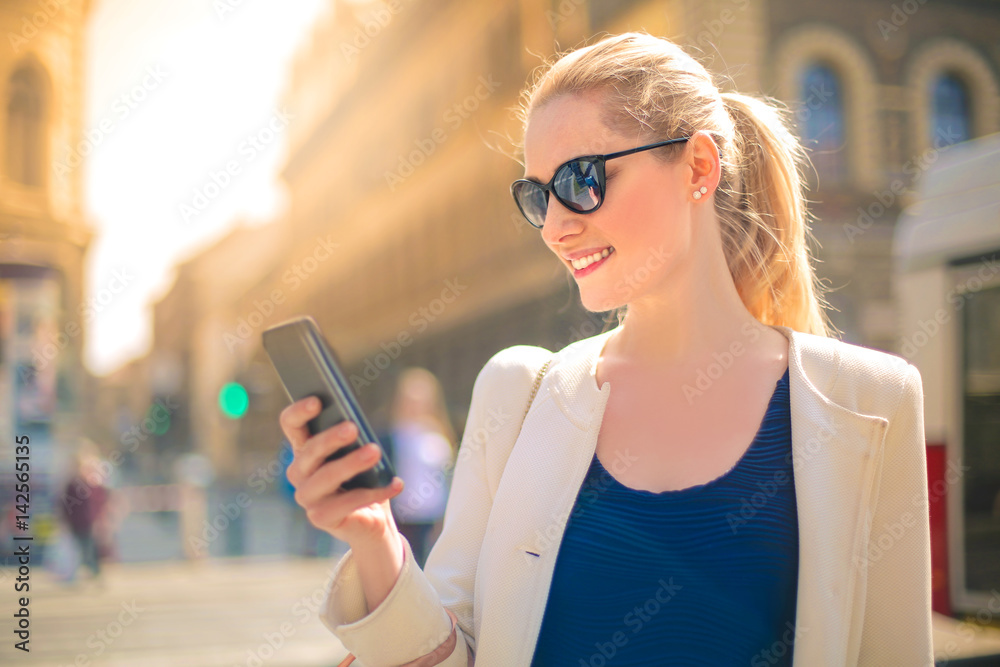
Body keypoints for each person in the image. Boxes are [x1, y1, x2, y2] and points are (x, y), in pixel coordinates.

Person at [280, 32, 933, 666]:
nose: (557, 226)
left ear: (698, 168)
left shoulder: (869, 401)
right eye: (537, 196)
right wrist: (374, 534)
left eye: (582, 178)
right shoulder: (517, 392)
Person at [383, 368, 457, 569]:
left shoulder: (438, 433)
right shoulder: (392, 435)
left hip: (431, 513)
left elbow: (446, 476)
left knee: (427, 566)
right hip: (401, 512)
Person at [56, 439, 110, 585]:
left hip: (89, 521)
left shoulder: (93, 483)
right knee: (81, 548)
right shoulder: (72, 484)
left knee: (89, 547)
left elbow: (101, 501)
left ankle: (92, 571)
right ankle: (81, 572)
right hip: (77, 523)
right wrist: (64, 521)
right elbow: (64, 505)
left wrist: (102, 518)